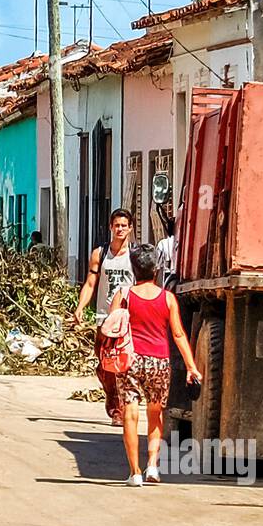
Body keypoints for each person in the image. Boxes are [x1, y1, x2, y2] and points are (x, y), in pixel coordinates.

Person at [107, 242, 201, 487]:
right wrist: (191, 366)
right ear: (157, 270)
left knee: (130, 413)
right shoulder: (168, 299)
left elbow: (111, 326)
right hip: (159, 362)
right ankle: (152, 467)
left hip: (130, 360)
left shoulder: (123, 295)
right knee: (155, 414)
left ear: (133, 269)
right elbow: (179, 335)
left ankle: (134, 472)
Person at [73, 208, 137, 429]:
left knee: (123, 365)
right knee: (105, 365)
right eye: (116, 225)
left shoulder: (136, 255)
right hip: (104, 318)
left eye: (124, 225)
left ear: (130, 228)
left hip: (128, 320)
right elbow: (91, 283)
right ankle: (113, 400)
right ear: (111, 227)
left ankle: (120, 410)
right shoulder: (100, 254)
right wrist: (80, 307)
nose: (120, 229)